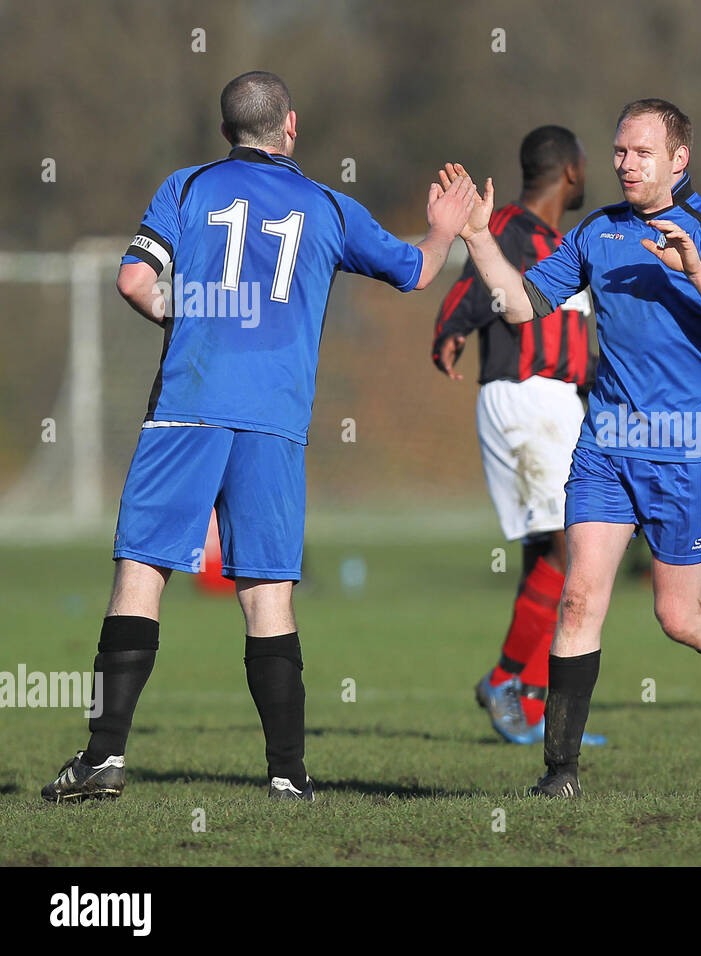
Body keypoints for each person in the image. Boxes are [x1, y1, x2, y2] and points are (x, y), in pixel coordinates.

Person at [42, 71, 475, 803]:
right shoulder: (328, 206)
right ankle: (288, 774)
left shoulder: (185, 188)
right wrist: (444, 224)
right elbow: (416, 271)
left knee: (141, 575)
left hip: (189, 406)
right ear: (291, 127)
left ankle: (104, 759)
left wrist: (195, 322)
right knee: (267, 593)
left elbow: (132, 282)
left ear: (226, 133)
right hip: (275, 419)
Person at [448, 98, 701, 798]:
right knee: (578, 598)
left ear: (679, 159)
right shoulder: (596, 232)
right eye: (619, 151)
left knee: (680, 616)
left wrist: (697, 270)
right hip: (607, 445)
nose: (625, 163)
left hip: (690, 454)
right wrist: (480, 241)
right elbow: (521, 308)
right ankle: (560, 773)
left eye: (641, 152)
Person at [432, 126, 603, 747]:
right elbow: (477, 282)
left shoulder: (562, 243)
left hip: (554, 402)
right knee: (573, 548)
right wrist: (450, 325)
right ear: (572, 172)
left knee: (552, 555)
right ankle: (508, 681)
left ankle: (534, 708)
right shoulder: (510, 225)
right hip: (530, 395)